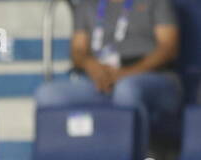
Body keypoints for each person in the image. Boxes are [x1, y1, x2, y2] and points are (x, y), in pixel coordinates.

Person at [33, 0, 181, 142]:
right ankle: (64, 155)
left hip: (152, 76)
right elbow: (77, 51)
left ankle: (126, 156)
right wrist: (92, 66)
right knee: (47, 94)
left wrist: (126, 73)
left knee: (126, 89)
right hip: (102, 78)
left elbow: (168, 48)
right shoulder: (87, 4)